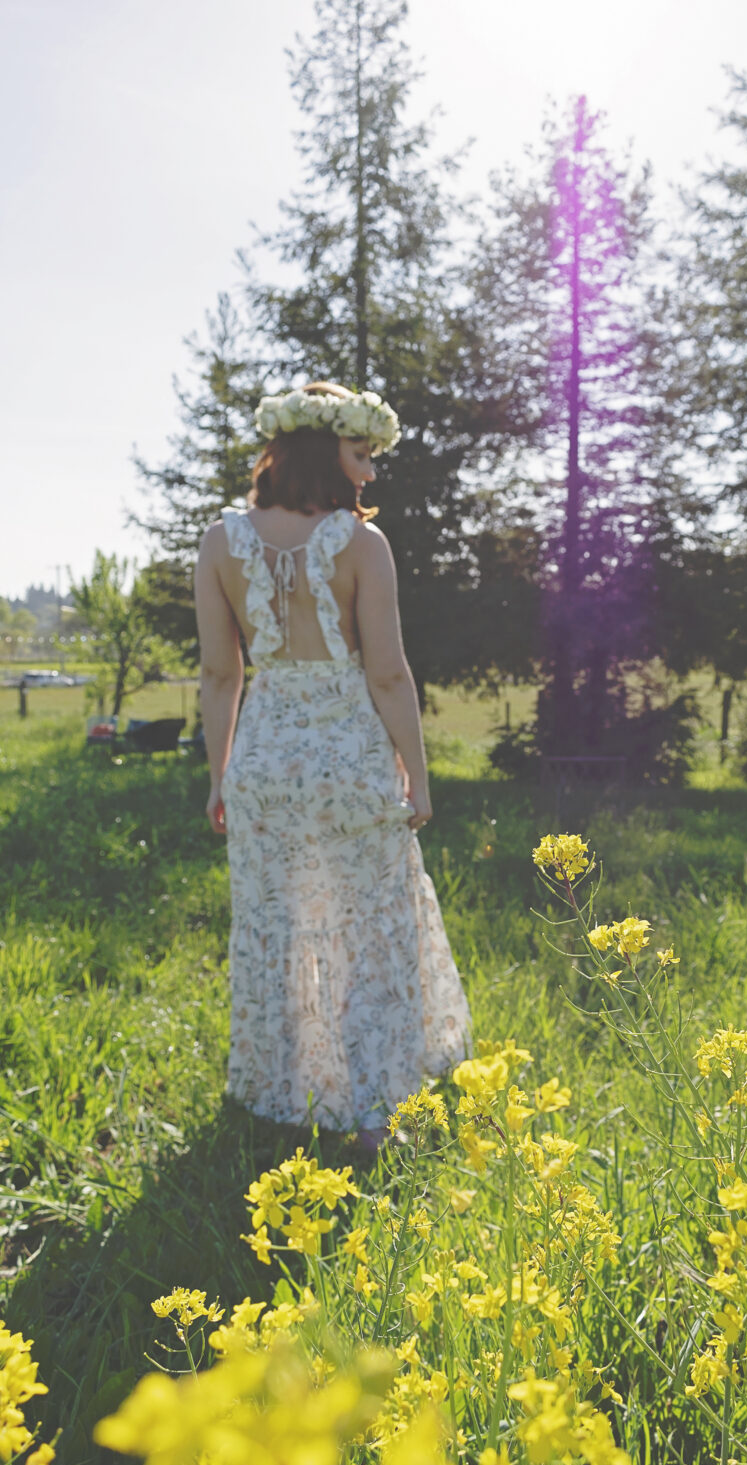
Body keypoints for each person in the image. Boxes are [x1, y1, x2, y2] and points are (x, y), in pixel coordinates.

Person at [194, 381, 473, 1153]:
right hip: (348, 757)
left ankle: (277, 1093)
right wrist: (415, 772)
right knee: (371, 932)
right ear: (324, 449)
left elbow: (221, 676)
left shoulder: (221, 540)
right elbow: (387, 673)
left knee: (275, 927)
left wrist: (221, 774)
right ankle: (377, 1111)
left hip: (264, 762)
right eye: (361, 454)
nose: (370, 474)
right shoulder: (360, 544)